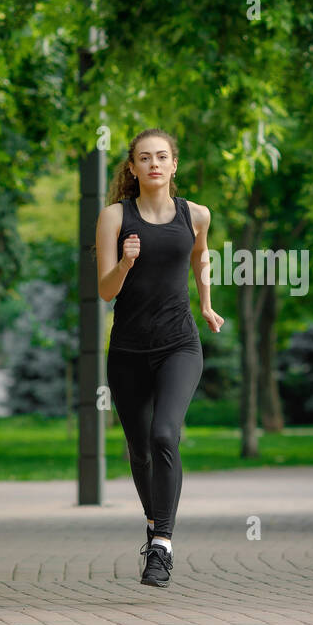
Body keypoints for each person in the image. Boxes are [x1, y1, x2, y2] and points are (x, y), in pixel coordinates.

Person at [95, 129, 224, 586]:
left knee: (165, 434)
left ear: (174, 165)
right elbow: (105, 291)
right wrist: (126, 263)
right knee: (140, 449)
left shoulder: (196, 214)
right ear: (132, 167)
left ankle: (162, 545)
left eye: (162, 157)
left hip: (179, 345)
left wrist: (206, 304)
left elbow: (201, 257)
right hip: (128, 349)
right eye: (144, 158)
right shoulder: (114, 217)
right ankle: (154, 527)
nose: (153, 164)